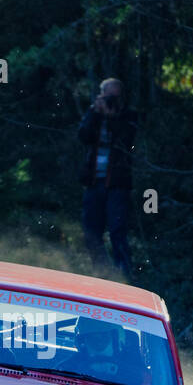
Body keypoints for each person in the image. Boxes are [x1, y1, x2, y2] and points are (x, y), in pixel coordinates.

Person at [77, 77, 139, 279]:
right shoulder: (95, 112)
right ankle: (102, 273)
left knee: (117, 231)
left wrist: (112, 117)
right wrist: (96, 112)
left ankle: (125, 276)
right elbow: (83, 136)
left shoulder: (128, 116)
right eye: (107, 96)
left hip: (117, 184)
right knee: (91, 231)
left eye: (115, 96)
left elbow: (126, 141)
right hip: (94, 182)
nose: (111, 100)